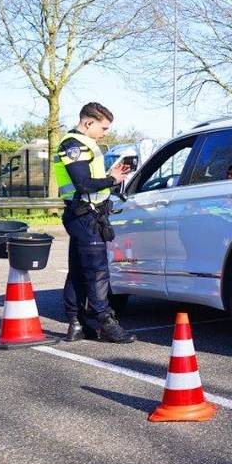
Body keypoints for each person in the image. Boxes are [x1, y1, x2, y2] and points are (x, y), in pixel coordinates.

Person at [54, 102, 134, 343]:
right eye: (103, 127)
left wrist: (111, 176)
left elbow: (89, 180)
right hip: (84, 216)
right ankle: (105, 323)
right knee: (97, 271)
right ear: (88, 122)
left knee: (79, 271)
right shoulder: (72, 145)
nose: (105, 132)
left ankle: (76, 323)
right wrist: (111, 179)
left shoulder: (85, 144)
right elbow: (83, 184)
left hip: (87, 215)